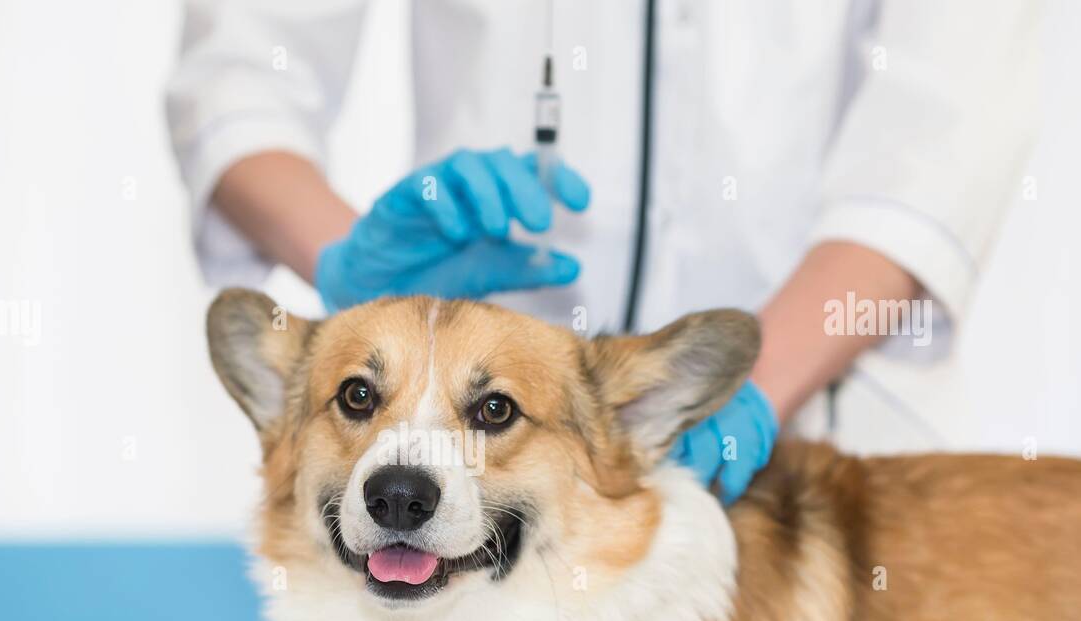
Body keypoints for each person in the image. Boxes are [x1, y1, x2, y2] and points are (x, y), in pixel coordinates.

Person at [166, 0, 1040, 503]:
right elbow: (239, 76)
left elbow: (937, 151)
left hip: (822, 437)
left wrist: (734, 392)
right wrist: (351, 266)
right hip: (460, 476)